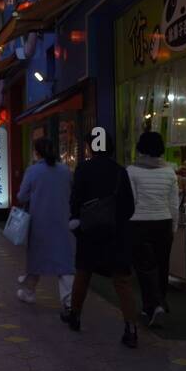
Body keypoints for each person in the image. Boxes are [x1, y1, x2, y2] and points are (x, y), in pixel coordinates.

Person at [66, 132, 140, 348]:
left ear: (92, 147)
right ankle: (131, 328)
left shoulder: (83, 169)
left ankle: (75, 316)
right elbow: (129, 207)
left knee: (83, 274)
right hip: (116, 234)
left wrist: (77, 221)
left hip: (89, 232)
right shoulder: (120, 172)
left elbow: (75, 200)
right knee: (122, 281)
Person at [15, 138, 75, 315]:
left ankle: (29, 292)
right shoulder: (65, 171)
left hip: (39, 222)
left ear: (37, 152)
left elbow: (22, 196)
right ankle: (68, 301)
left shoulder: (33, 171)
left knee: (36, 259)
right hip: (63, 220)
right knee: (64, 262)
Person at [127, 131, 179, 327]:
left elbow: (131, 201)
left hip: (139, 222)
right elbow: (174, 203)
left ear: (140, 147)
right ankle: (158, 304)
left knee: (144, 267)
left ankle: (153, 305)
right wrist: (174, 225)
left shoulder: (131, 171)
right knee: (161, 265)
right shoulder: (169, 171)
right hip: (163, 222)